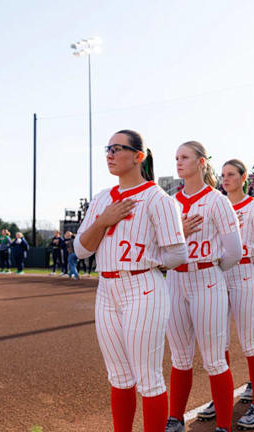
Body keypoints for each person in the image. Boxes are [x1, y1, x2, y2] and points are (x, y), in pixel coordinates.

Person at [75, 129, 187, 432]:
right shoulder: (101, 199)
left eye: (117, 148)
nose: (109, 154)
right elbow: (81, 249)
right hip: (107, 288)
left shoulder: (157, 198)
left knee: (148, 378)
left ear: (138, 156)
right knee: (118, 375)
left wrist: (146, 260)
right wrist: (103, 220)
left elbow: (176, 254)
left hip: (143, 287)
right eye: (107, 148)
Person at [165, 141, 241, 432]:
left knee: (213, 359)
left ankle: (224, 425)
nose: (178, 162)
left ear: (201, 162)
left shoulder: (218, 201)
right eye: (176, 157)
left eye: (184, 157)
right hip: (175, 279)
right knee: (180, 357)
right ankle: (175, 418)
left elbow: (234, 250)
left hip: (206, 278)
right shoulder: (170, 202)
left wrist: (210, 270)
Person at [215, 159, 254, 429]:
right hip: (216, 276)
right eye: (222, 175)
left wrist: (246, 257)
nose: (225, 179)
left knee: (250, 342)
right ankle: (221, 398)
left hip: (244, 275)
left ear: (243, 178)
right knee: (219, 343)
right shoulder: (216, 204)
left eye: (231, 175)